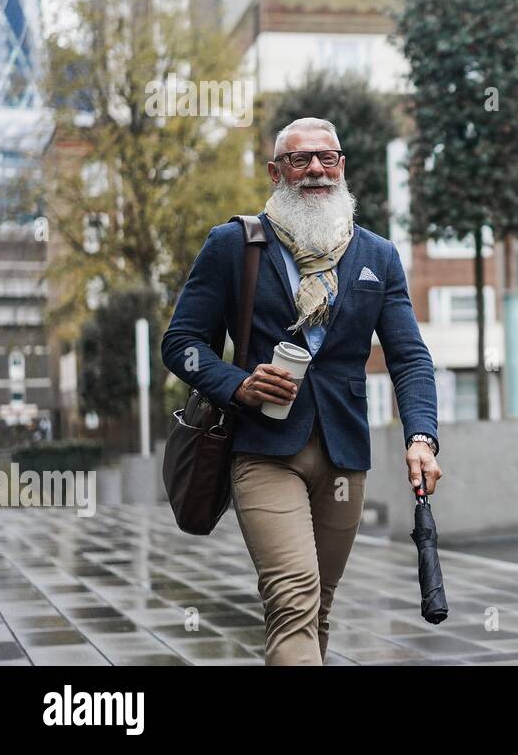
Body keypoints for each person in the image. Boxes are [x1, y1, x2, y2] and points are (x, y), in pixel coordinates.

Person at [162, 116, 442, 665]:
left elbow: (409, 357)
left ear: (341, 167)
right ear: (275, 171)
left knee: (320, 608)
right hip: (261, 451)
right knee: (293, 599)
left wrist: (422, 437)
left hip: (344, 455)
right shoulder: (233, 245)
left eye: (327, 157)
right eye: (299, 159)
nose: (316, 168)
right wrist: (237, 383)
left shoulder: (377, 257)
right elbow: (182, 343)